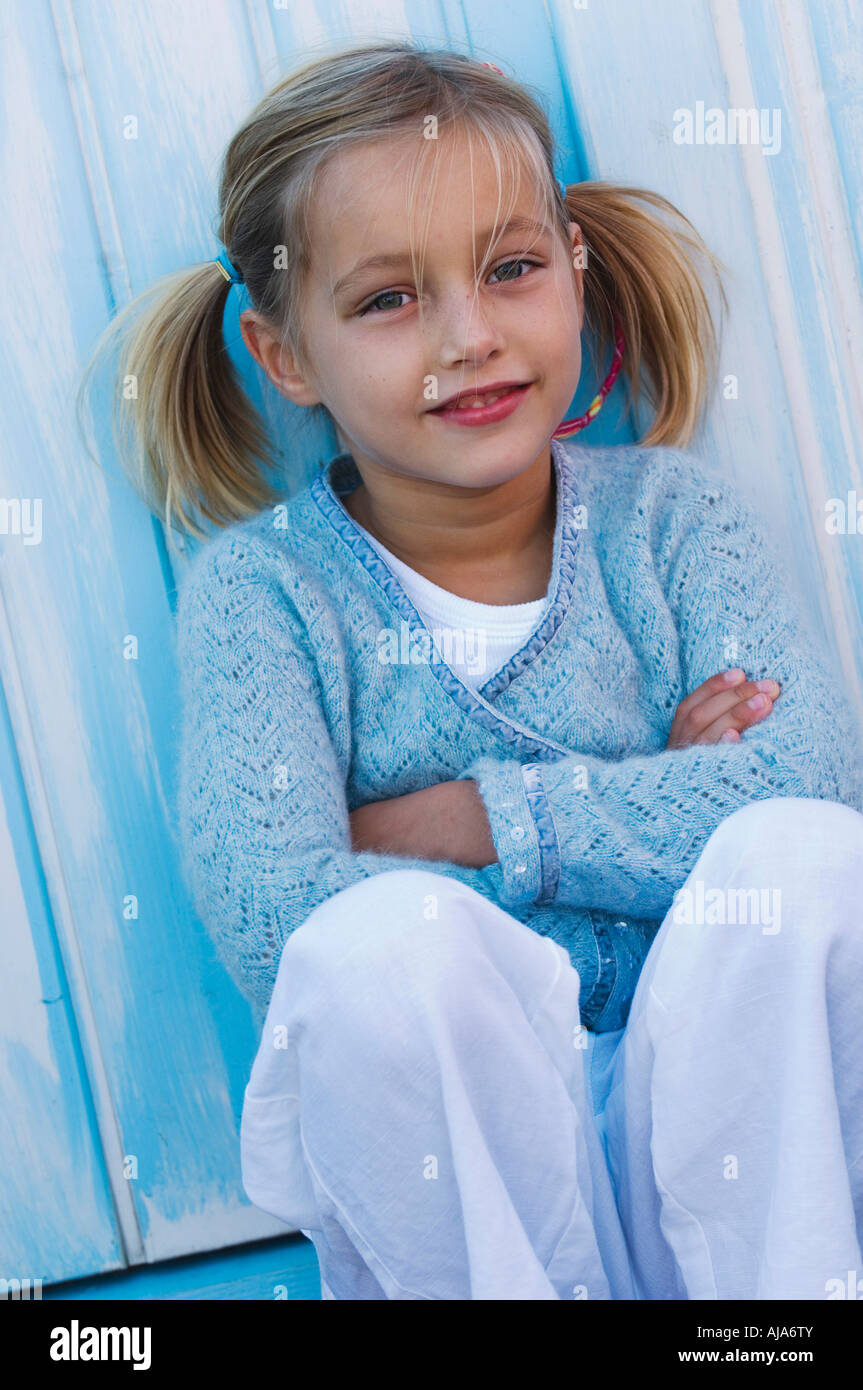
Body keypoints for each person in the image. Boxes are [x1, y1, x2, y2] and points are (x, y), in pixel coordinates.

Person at [78, 41, 863, 1299]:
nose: (471, 336)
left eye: (511, 269)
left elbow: (808, 781)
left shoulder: (670, 523)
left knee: (803, 859)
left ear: (572, 271)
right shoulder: (266, 597)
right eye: (388, 299)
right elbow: (281, 914)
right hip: (473, 1199)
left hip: (722, 1133)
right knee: (375, 950)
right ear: (285, 355)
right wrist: (648, 804)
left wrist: (459, 819)